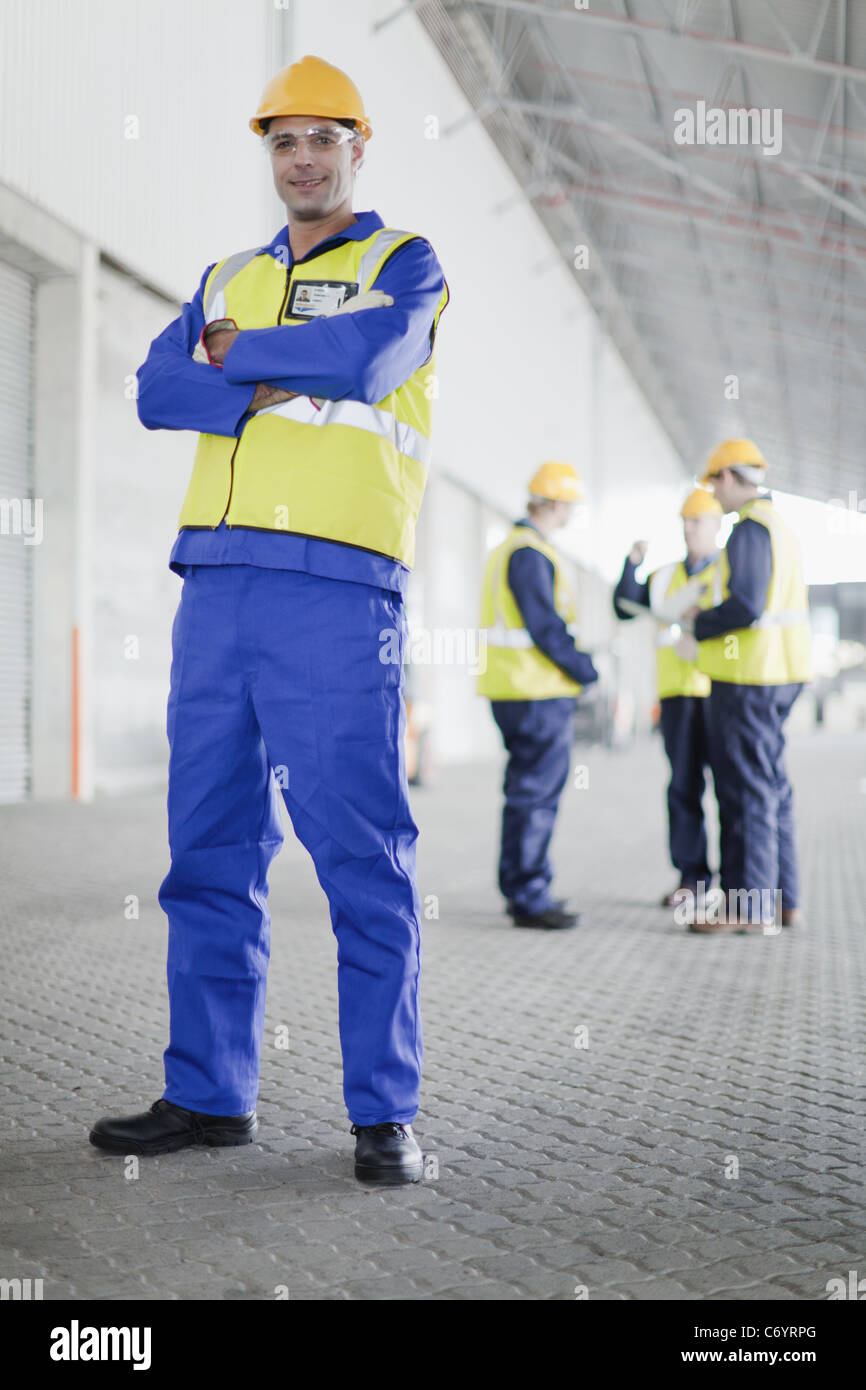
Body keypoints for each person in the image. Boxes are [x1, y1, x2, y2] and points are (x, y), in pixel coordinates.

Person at [89, 55, 449, 1185]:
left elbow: (372, 357)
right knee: (206, 851)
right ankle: (208, 1093)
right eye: (283, 142)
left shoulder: (408, 263)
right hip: (216, 587)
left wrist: (239, 360)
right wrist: (270, 378)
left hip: (337, 592)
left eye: (321, 139)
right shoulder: (224, 272)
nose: (301, 159)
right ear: (270, 153)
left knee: (359, 855)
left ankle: (382, 1111)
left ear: (358, 147)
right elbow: (157, 391)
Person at [681, 440, 811, 933]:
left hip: (748, 680)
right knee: (771, 786)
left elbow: (746, 606)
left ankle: (748, 908)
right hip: (776, 674)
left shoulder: (750, 530)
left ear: (730, 478)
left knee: (745, 792)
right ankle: (784, 901)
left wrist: (700, 620)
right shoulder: (780, 527)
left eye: (714, 482)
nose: (712, 494)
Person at [477, 463, 598, 929]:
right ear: (553, 504)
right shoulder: (529, 553)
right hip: (535, 692)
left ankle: (522, 887)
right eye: (568, 506)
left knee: (525, 791)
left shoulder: (510, 548)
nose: (569, 515)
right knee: (536, 794)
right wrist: (586, 670)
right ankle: (529, 894)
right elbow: (546, 626)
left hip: (514, 689)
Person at [613, 488, 723, 906]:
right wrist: (632, 564)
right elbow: (625, 606)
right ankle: (692, 879)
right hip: (677, 696)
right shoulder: (663, 577)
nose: (689, 529)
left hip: (719, 691)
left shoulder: (727, 572)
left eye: (698, 521)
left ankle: (736, 881)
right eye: (685, 521)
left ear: (717, 525)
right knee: (683, 787)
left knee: (730, 789)